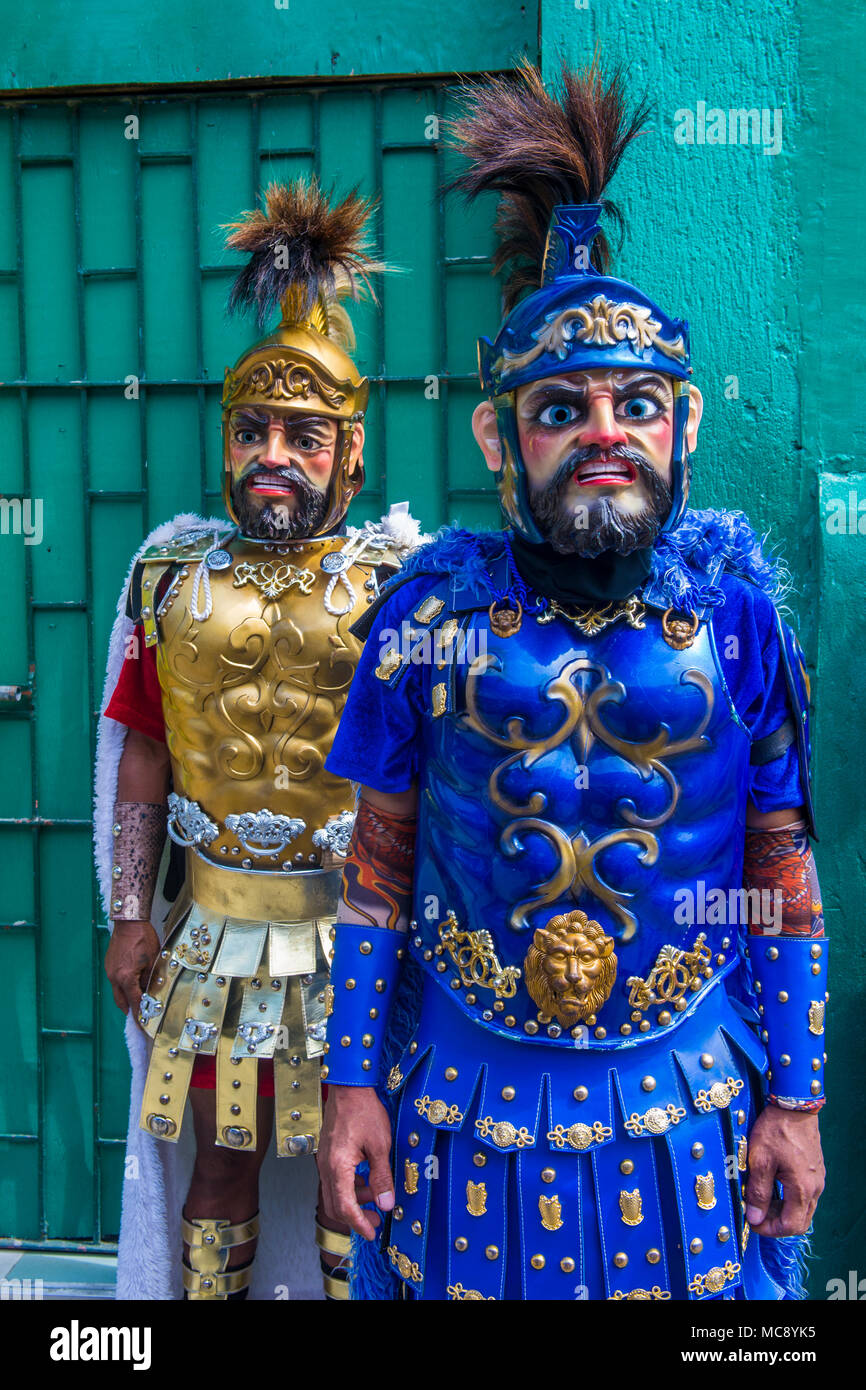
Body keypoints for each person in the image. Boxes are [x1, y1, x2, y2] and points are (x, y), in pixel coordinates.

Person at [316, 61, 827, 1302]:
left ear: (681, 429)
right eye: (561, 407)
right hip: (459, 1104)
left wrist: (797, 1098)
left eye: (635, 404)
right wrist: (344, 1088)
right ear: (501, 438)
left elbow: (777, 877)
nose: (603, 429)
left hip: (687, 1105)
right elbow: (376, 872)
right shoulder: (425, 621)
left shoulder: (739, 627)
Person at [95, 178, 419, 1299]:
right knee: (219, 1161)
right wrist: (130, 912)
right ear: (225, 440)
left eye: (302, 434)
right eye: (253, 430)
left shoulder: (396, 585)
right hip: (213, 938)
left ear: (351, 452)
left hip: (357, 944)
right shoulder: (172, 578)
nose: (273, 453)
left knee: (356, 1167)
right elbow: (142, 749)